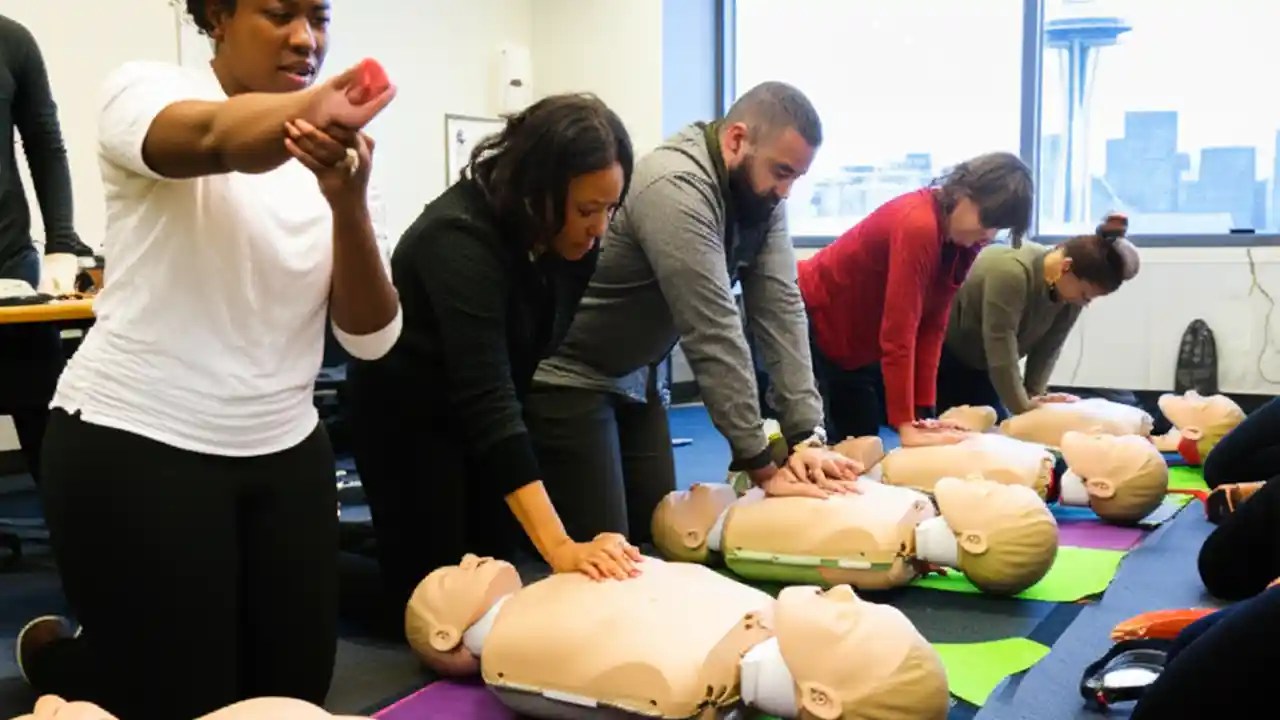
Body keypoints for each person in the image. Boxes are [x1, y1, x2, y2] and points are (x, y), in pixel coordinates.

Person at [15, 1, 400, 718]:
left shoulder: (332, 160)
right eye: (280, 13)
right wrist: (324, 105)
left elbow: (370, 337)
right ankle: (63, 663)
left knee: (293, 695)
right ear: (218, 15)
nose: (306, 39)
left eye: (319, 17)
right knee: (186, 701)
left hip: (283, 447)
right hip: (135, 440)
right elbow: (224, 139)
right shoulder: (147, 92)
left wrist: (348, 202)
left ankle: (119, 650)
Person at [525, 82, 861, 548]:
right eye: (781, 172)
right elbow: (712, 328)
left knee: (659, 530)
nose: (785, 191)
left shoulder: (763, 197)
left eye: (795, 179)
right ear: (737, 140)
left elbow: (781, 309)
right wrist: (759, 461)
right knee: (606, 545)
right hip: (572, 375)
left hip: (639, 377)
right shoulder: (675, 186)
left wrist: (807, 436)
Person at [345, 93, 643, 618]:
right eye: (587, 210)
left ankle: (385, 537)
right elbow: (490, 401)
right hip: (407, 419)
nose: (600, 228)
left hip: (472, 416)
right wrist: (561, 549)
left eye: (610, 209)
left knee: (493, 569)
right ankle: (312, 551)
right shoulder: (457, 240)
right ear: (538, 192)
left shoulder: (568, 241)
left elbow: (519, 371)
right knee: (436, 607)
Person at [799, 152, 1034, 447]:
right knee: (809, 447)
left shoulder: (968, 239)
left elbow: (933, 325)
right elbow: (899, 330)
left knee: (862, 448)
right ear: (962, 193)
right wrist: (904, 424)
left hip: (854, 345)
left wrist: (924, 412)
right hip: (810, 318)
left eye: (997, 226)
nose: (987, 233)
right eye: (986, 219)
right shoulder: (919, 224)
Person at [0, 14, 94, 486]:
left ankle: (76, 554)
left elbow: (45, 144)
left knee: (48, 435)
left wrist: (61, 243)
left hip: (11, 267)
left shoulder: (10, 40)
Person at [937, 213, 1139, 420]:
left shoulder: (1070, 294)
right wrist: (1024, 409)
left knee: (997, 425)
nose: (1085, 303)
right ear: (1066, 266)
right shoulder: (1012, 273)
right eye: (1085, 295)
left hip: (981, 364)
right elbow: (1001, 349)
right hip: (943, 354)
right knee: (948, 428)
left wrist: (1036, 396)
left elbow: (1048, 348)